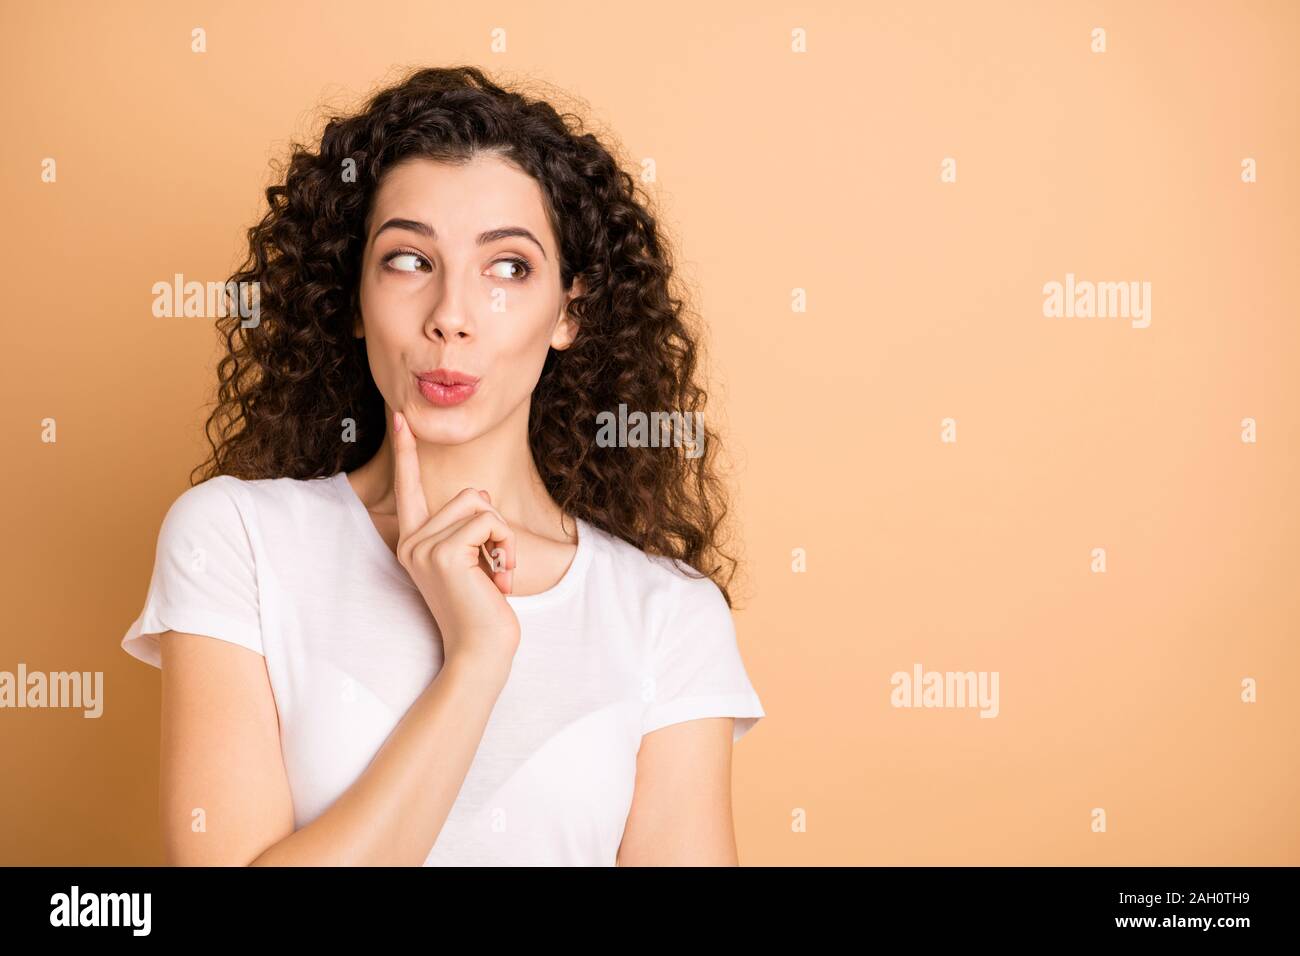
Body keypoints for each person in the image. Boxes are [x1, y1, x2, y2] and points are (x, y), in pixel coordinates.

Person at [121, 65, 765, 866]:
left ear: (570, 310)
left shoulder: (667, 615)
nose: (451, 318)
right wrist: (474, 662)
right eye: (408, 260)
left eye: (507, 268)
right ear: (352, 299)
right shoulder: (237, 541)